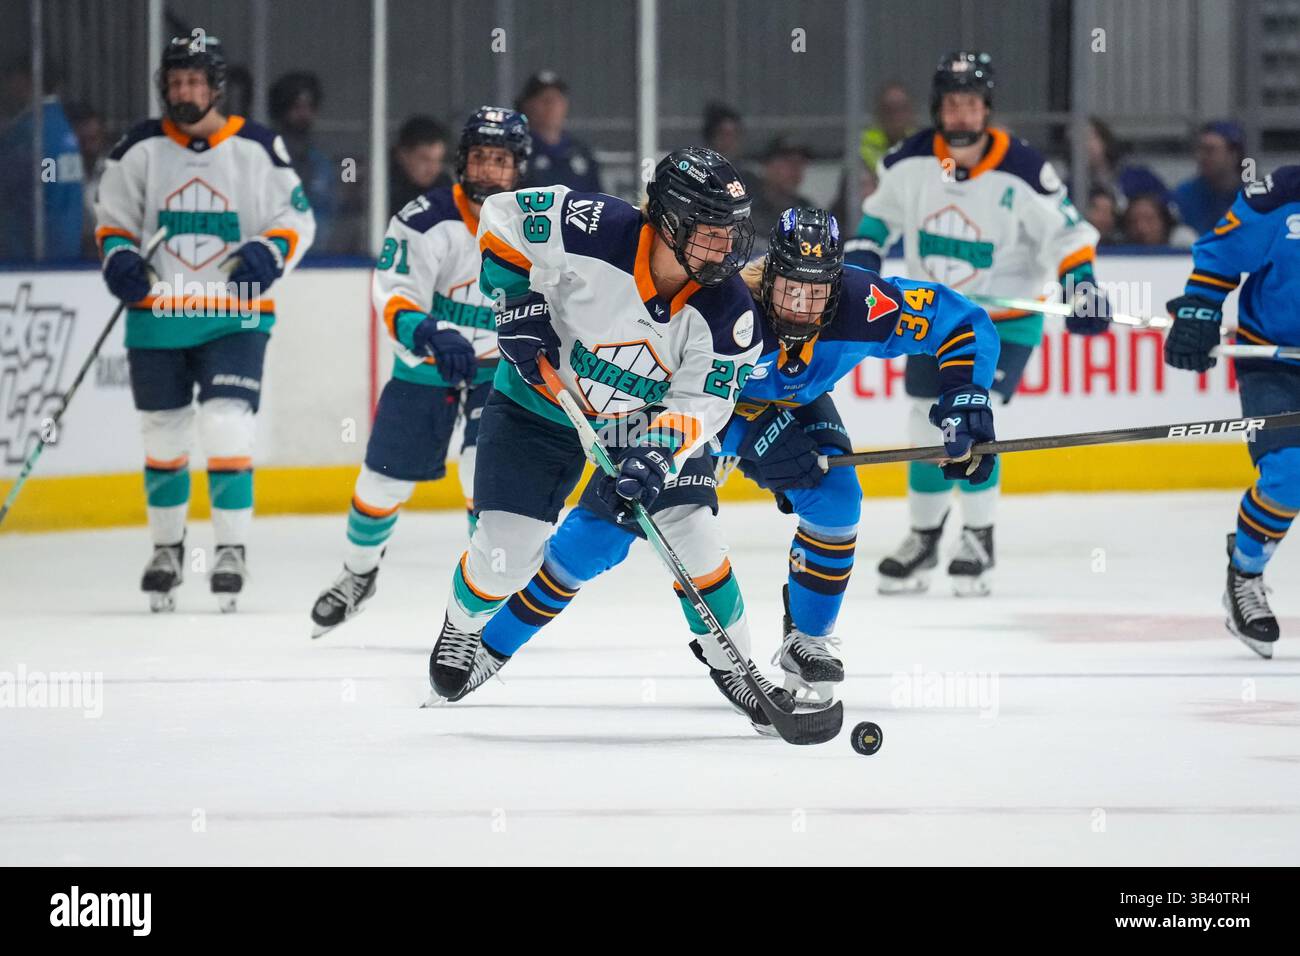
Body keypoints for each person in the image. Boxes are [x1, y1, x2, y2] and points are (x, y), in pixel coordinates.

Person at [453, 208, 1001, 723]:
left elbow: (961, 322)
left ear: (838, 283)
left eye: (818, 291)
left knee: (836, 498)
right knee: (596, 540)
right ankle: (491, 644)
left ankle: (806, 640)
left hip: (787, 406)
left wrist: (965, 396)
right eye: (791, 288)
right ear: (770, 274)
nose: (802, 306)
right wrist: (746, 438)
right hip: (680, 414)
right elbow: (689, 395)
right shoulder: (728, 305)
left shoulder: (864, 301)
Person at [426, 147, 768, 724]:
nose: (726, 249)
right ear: (670, 221)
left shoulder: (729, 311)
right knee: (507, 559)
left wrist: (659, 452)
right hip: (535, 405)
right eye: (711, 233)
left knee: (695, 537)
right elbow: (503, 217)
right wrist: (516, 299)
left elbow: (702, 401)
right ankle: (462, 624)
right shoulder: (592, 224)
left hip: (642, 426)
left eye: (731, 233)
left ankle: (735, 664)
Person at [846, 50, 1109, 596]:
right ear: (938, 109)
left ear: (985, 108)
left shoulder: (1024, 169)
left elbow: (1068, 234)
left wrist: (1079, 283)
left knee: (967, 412)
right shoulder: (909, 161)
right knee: (924, 421)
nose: (961, 114)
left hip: (1003, 321)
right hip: (933, 319)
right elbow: (878, 221)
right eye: (951, 103)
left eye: (971, 103)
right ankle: (924, 537)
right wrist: (863, 267)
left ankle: (979, 537)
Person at [94, 35, 315, 612]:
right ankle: (167, 549)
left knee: (224, 425)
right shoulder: (137, 148)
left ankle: (231, 550)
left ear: (215, 87)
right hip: (158, 317)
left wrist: (269, 253)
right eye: (176, 82)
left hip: (234, 315)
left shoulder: (257, 146)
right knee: (162, 433)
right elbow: (113, 219)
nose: (185, 92)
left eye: (195, 82)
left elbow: (295, 216)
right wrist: (119, 258)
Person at [310, 108, 530, 637]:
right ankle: (357, 575)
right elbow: (394, 293)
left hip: (500, 372)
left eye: (500, 161)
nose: (489, 171)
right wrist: (431, 335)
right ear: (462, 161)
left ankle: (483, 597)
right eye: (480, 157)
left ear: (518, 167)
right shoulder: (424, 218)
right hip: (428, 366)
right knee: (381, 482)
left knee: (484, 479)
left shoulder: (537, 225)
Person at [1164, 166, 1300, 659]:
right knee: (1288, 473)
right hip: (1277, 362)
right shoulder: (1281, 195)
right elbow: (1220, 253)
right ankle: (1245, 573)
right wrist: (1199, 310)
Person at [0, 54, 84, 260]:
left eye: (10, 78)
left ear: (25, 79)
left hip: (32, 253)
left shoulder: (31, 132)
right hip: (66, 246)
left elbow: (39, 183)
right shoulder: (61, 126)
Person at [269, 72, 337, 254]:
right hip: (276, 253)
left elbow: (345, 187)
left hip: (323, 257)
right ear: (282, 109)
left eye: (310, 106)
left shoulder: (323, 157)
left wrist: (352, 182)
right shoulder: (265, 155)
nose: (304, 113)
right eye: (297, 106)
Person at [514, 71, 601, 192]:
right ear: (526, 105)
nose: (551, 106)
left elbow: (599, 198)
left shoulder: (580, 151)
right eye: (544, 99)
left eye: (557, 99)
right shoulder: (517, 150)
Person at [1171, 120, 1246, 236]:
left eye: (1210, 150)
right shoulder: (1184, 196)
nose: (1201, 157)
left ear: (1233, 154)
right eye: (1199, 150)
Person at [749, 134, 814, 252]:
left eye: (801, 163)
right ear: (767, 165)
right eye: (788, 162)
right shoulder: (747, 210)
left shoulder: (807, 211)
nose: (795, 169)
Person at [1086, 117, 1167, 204]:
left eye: (1090, 137)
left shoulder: (1138, 175)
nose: (1085, 144)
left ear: (1105, 140)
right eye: (1077, 139)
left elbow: (1165, 205)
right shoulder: (1072, 188)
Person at [389, 116, 450, 217]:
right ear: (403, 155)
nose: (433, 169)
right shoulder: (382, 188)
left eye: (439, 160)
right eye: (425, 159)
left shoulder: (444, 188)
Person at [860, 82, 916, 181]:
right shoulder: (864, 146)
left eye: (902, 108)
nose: (896, 117)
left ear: (910, 113)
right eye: (890, 110)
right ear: (879, 114)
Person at [1121, 192, 1196, 248]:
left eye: (1149, 220)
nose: (1141, 228)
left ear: (1164, 222)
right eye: (1133, 222)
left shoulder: (1182, 241)